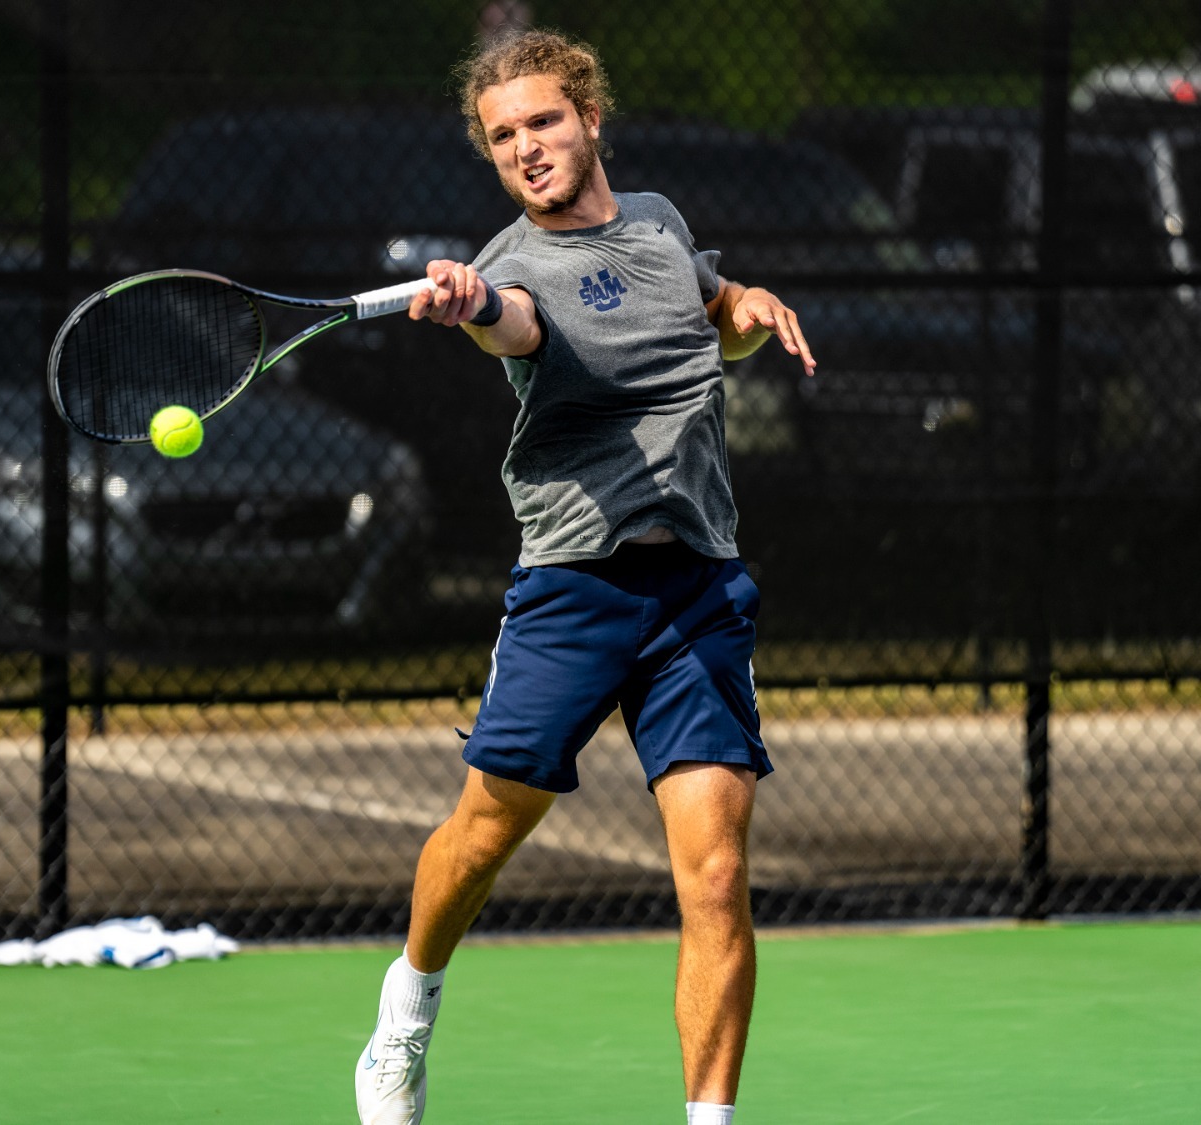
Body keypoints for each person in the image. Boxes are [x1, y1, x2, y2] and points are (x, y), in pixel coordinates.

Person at [354, 27, 816, 1125]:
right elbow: (511, 324)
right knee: (482, 835)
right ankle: (406, 1008)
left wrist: (744, 307)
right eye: (501, 135)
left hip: (698, 590)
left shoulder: (658, 221)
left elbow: (703, 313)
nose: (525, 146)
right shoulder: (513, 266)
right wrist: (473, 305)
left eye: (543, 121)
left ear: (591, 119)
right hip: (574, 590)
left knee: (715, 876)